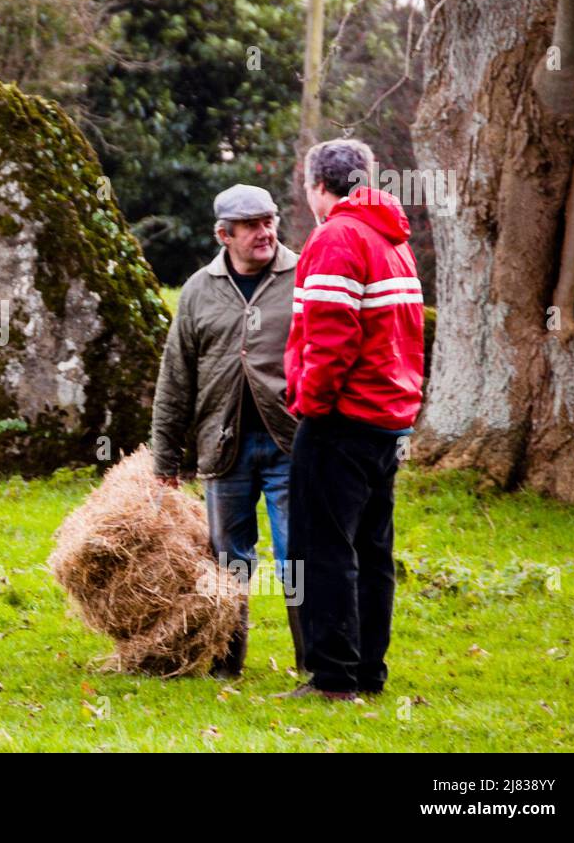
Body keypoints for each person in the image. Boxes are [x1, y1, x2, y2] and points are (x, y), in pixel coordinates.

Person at [281, 139, 425, 701]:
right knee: (372, 551)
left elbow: (330, 337)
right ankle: (369, 672)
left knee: (323, 548)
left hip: (341, 419)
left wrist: (310, 407)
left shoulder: (337, 237)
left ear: (319, 186)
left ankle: (334, 677)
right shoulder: (393, 240)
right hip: (388, 419)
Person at [151, 184, 302, 677]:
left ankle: (314, 663)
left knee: (296, 556)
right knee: (229, 560)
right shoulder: (197, 289)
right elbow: (176, 378)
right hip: (222, 448)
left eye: (269, 221)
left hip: (291, 442)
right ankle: (225, 662)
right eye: (252, 225)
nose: (264, 232)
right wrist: (165, 462)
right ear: (224, 234)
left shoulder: (303, 276)